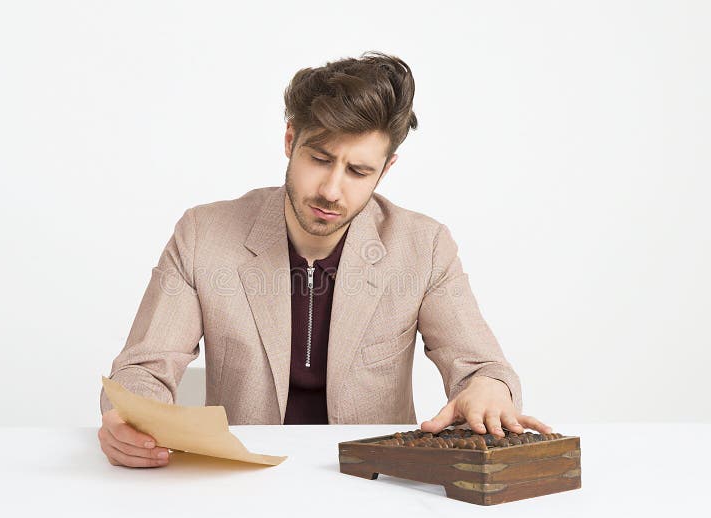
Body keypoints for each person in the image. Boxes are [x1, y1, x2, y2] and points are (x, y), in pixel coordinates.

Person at [97, 51, 551, 468]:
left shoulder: (424, 246)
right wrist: (128, 418)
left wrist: (488, 391)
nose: (332, 191)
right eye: (320, 158)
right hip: (242, 480)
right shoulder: (203, 234)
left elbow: (482, 368)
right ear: (290, 140)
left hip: (373, 484)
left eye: (358, 171)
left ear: (387, 169)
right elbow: (144, 368)